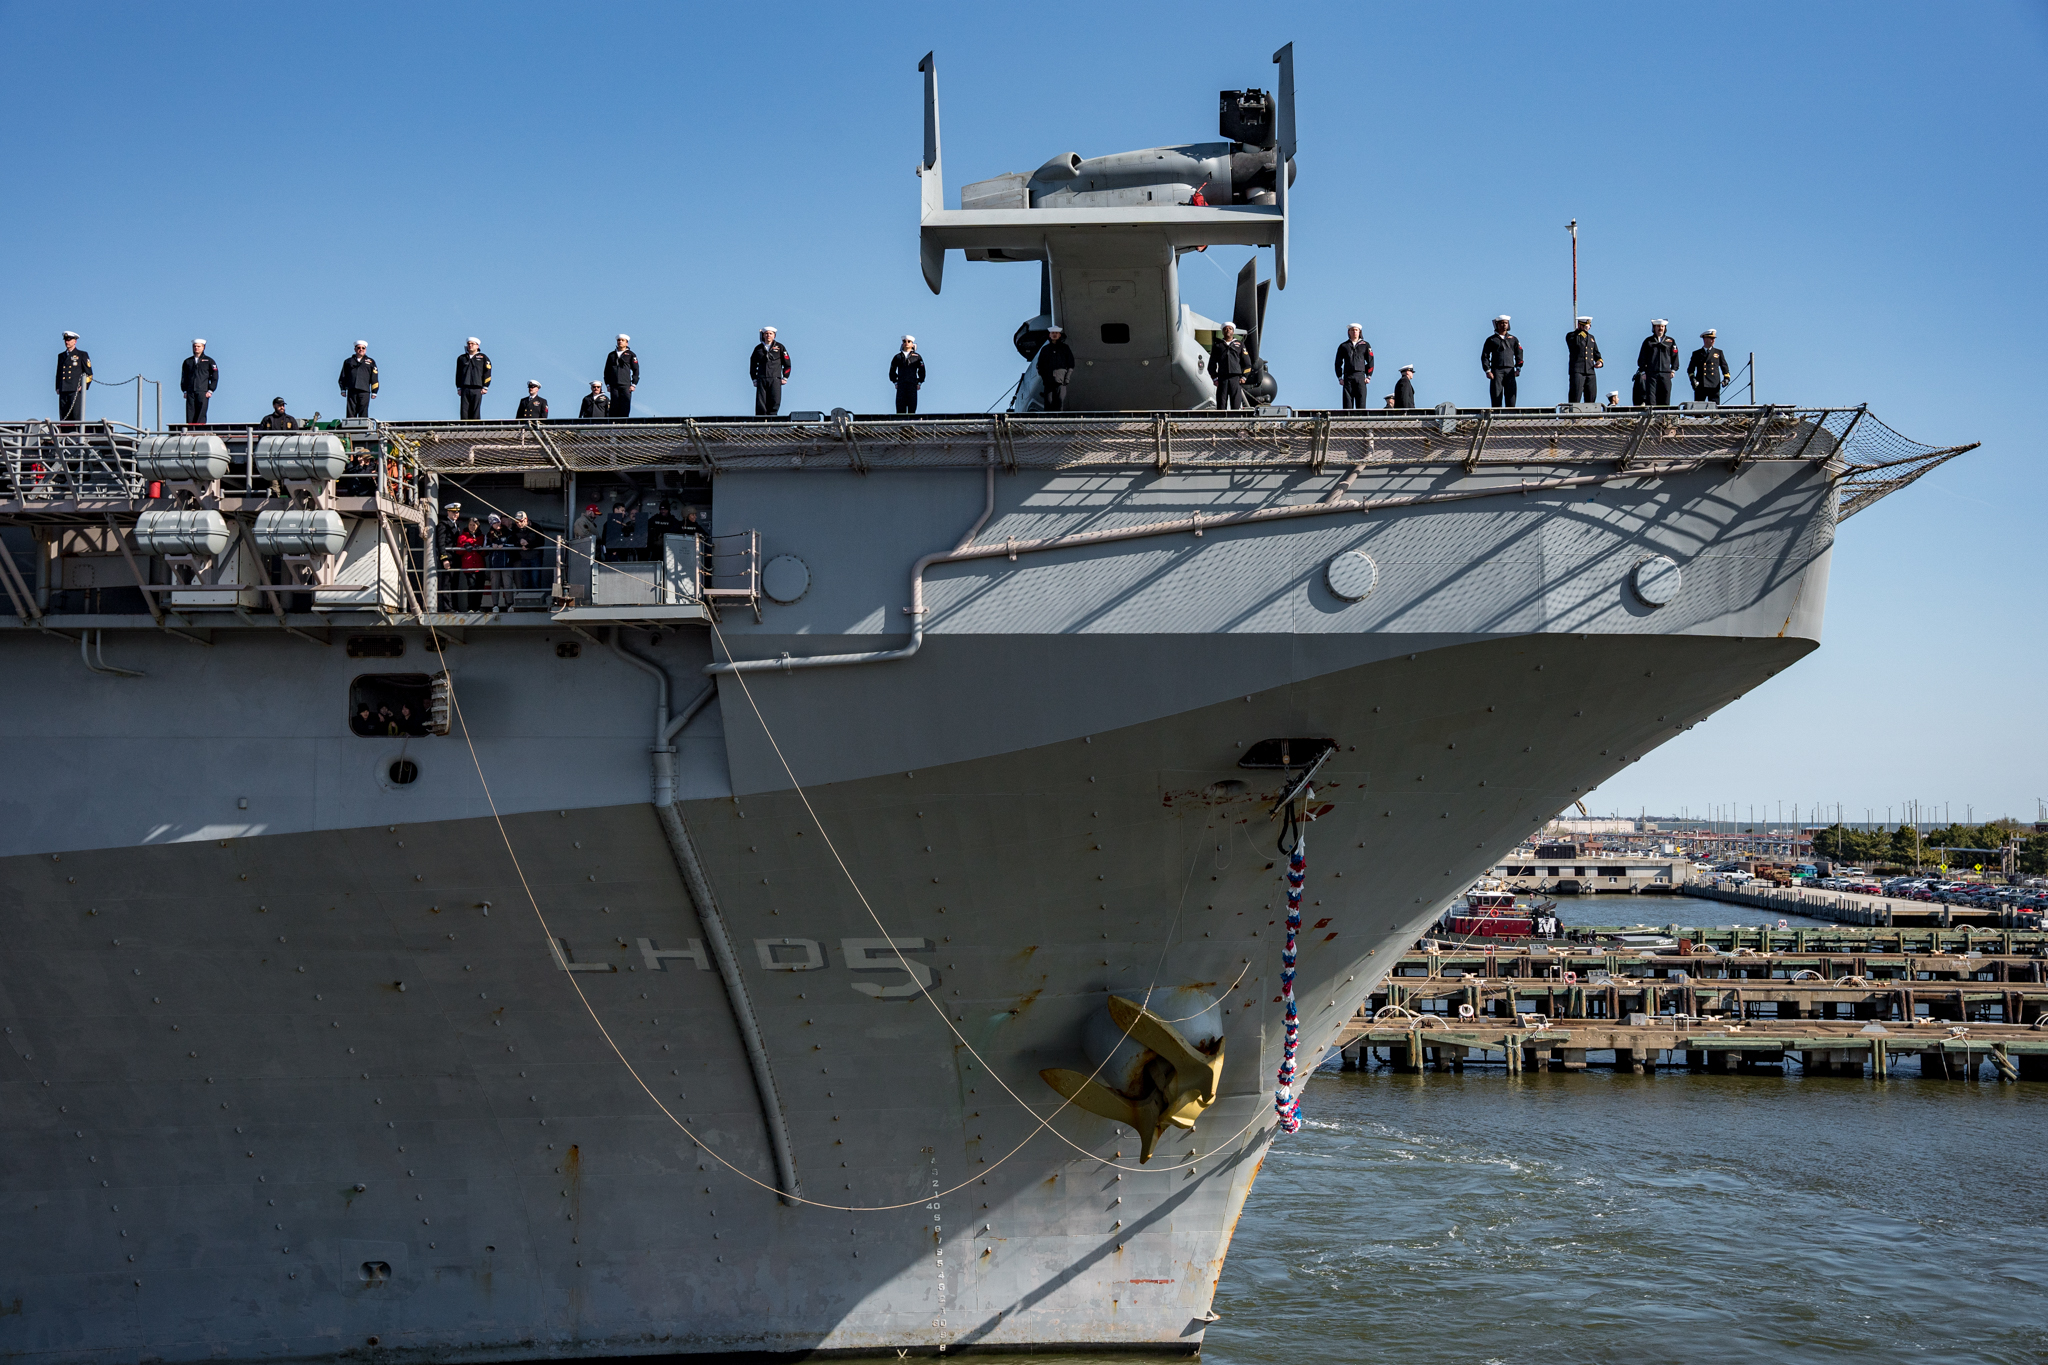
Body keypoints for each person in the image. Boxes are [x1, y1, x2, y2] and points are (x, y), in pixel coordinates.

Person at [1480, 315, 1522, 408]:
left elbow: (1519, 354)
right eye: (1502, 323)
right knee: (1496, 394)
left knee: (1511, 394)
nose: (1504, 325)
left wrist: (1518, 368)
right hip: (1496, 371)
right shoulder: (1491, 340)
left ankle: (1511, 414)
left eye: (1506, 323)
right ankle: (1496, 414)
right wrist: (1487, 370)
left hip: (1510, 370)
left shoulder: (1513, 339)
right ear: (1497, 324)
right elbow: (1485, 356)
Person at [1208, 321, 1251, 410]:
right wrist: (1214, 378)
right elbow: (1211, 364)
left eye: (1230, 329)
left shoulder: (1239, 345)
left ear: (1233, 331)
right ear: (1222, 332)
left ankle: (1235, 417)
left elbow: (1247, 364)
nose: (1228, 330)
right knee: (1221, 402)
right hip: (1222, 378)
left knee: (1236, 402)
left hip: (1235, 378)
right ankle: (1221, 417)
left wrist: (1244, 377)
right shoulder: (1218, 346)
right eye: (1225, 329)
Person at [750, 326, 791, 415]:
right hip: (762, 379)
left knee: (774, 401)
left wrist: (785, 377)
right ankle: (760, 421)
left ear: (774, 335)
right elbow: (753, 365)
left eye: (770, 334)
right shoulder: (758, 349)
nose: (768, 335)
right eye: (766, 333)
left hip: (775, 378)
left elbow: (787, 363)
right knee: (761, 402)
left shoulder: (780, 347)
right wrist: (754, 379)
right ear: (763, 335)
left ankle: (772, 419)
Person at [1637, 320, 1678, 406]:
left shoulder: (1670, 341)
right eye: (1658, 326)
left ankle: (1664, 414)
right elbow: (1642, 357)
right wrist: (1643, 371)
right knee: (1651, 398)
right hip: (1651, 374)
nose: (1660, 328)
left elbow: (1675, 356)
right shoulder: (1648, 341)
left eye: (1662, 326)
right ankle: (1652, 414)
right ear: (1654, 328)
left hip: (1665, 373)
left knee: (1665, 396)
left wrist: (1673, 369)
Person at [1035, 323, 1074, 411]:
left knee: (1059, 402)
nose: (1054, 335)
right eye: (1053, 333)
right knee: (1048, 403)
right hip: (1048, 381)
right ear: (1050, 335)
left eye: (1056, 333)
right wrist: (1044, 377)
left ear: (1059, 335)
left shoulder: (1065, 348)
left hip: (1061, 381)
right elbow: (1040, 365)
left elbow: (1071, 364)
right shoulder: (1045, 349)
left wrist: (1067, 378)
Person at [1334, 324, 1374, 409]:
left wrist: (1369, 376)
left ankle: (1361, 417)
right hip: (1348, 376)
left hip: (1360, 376)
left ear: (1359, 332)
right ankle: (1348, 417)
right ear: (1349, 332)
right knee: (1347, 402)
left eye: (1356, 330)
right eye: (1352, 330)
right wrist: (1340, 377)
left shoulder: (1365, 345)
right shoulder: (1343, 346)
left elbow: (1370, 361)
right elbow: (1338, 362)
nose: (1354, 332)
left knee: (1361, 401)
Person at [55, 331, 92, 422]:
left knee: (75, 416)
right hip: (63, 389)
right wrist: (58, 387)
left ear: (75, 341)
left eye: (69, 340)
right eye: (65, 340)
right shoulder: (61, 356)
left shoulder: (82, 355)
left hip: (75, 389)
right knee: (64, 417)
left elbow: (89, 373)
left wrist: (84, 386)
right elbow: (59, 373)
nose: (67, 342)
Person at [1565, 317, 1603, 403]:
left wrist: (1599, 361)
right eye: (1587, 325)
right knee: (1575, 395)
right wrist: (1582, 332)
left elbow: (1596, 353)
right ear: (1580, 325)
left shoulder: (1591, 338)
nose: (1589, 327)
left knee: (1591, 395)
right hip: (1578, 370)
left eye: (1589, 325)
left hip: (1590, 370)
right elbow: (1576, 344)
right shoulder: (1571, 336)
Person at [509, 509, 547, 597]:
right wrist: (519, 543)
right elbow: (512, 540)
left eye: (521, 521)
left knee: (535, 581)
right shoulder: (515, 529)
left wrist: (529, 545)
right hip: (523, 558)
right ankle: (527, 601)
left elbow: (541, 541)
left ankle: (537, 601)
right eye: (516, 522)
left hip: (535, 557)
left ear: (526, 519)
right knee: (525, 582)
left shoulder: (536, 527)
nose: (519, 523)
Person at [181, 340, 218, 425]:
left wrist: (211, 390)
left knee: (201, 413)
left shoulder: (209, 361)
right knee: (190, 413)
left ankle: (200, 430)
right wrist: (185, 390)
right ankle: (190, 430)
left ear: (203, 347)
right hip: (190, 391)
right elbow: (184, 377)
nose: (196, 348)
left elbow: (215, 376)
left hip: (203, 391)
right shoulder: (188, 362)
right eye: (195, 346)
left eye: (198, 346)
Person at [1688, 329, 1730, 403]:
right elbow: (1690, 369)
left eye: (1714, 338)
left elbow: (1724, 366)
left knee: (1714, 407)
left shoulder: (1718, 352)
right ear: (1705, 339)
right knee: (1699, 407)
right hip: (1701, 384)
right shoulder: (1697, 353)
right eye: (1711, 338)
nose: (1713, 340)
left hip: (1714, 384)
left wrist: (1726, 378)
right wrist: (1693, 379)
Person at [338, 341, 378, 418]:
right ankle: (350, 426)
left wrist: (374, 391)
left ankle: (362, 426)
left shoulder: (371, 362)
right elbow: (343, 376)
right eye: (358, 348)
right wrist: (343, 389)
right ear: (355, 349)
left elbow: (374, 377)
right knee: (351, 412)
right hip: (352, 390)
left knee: (363, 412)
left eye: (363, 348)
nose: (361, 349)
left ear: (365, 349)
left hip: (364, 390)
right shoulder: (348, 361)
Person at [455, 515, 487, 612]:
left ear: (477, 526)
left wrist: (480, 549)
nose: (472, 527)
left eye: (474, 525)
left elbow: (485, 553)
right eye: (470, 525)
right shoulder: (462, 537)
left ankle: (477, 607)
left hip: (480, 565)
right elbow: (458, 552)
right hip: (468, 566)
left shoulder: (482, 537)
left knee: (480, 587)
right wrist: (465, 547)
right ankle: (471, 608)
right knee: (472, 585)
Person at [455, 337, 492, 420]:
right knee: (464, 410)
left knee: (475, 409)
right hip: (465, 387)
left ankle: (475, 426)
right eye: (468, 344)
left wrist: (485, 386)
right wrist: (458, 387)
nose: (470, 345)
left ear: (477, 346)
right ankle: (464, 426)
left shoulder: (483, 358)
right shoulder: (461, 358)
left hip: (477, 387)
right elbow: (458, 374)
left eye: (472, 344)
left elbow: (487, 372)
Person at [484, 513, 515, 611]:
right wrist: (491, 546)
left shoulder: (508, 532)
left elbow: (514, 544)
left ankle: (510, 604)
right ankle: (495, 605)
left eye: (498, 522)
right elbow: (485, 546)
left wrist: (504, 546)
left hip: (506, 563)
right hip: (494, 564)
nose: (497, 525)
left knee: (508, 584)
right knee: (495, 585)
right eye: (494, 523)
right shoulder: (489, 535)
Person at [435, 501, 464, 603]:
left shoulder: (455, 525)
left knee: (454, 582)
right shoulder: (443, 525)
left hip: (455, 557)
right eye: (453, 512)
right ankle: (448, 607)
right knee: (447, 583)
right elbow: (441, 543)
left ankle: (454, 606)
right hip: (448, 557)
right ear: (448, 512)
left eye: (457, 512)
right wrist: (444, 558)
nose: (455, 514)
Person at [889, 335, 926, 414]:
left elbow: (922, 371)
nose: (906, 343)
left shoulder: (917, 357)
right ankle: (900, 421)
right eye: (904, 341)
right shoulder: (897, 357)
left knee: (912, 406)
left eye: (909, 341)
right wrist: (895, 382)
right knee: (900, 407)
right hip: (901, 384)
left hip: (912, 384)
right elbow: (892, 370)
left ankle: (911, 421)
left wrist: (919, 382)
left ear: (912, 344)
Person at [603, 335, 638, 417]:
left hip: (625, 384)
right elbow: (607, 370)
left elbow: (636, 370)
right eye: (619, 340)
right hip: (614, 384)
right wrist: (607, 384)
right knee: (614, 404)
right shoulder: (611, 355)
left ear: (627, 343)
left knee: (625, 404)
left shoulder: (631, 355)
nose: (620, 342)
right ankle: (613, 422)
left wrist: (634, 384)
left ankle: (623, 421)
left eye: (622, 340)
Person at [645, 499, 684, 563]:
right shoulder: (655, 518)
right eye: (661, 509)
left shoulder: (672, 520)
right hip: (655, 547)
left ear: (668, 510)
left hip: (669, 547)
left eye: (665, 509)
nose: (663, 511)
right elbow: (646, 526)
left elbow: (678, 531)